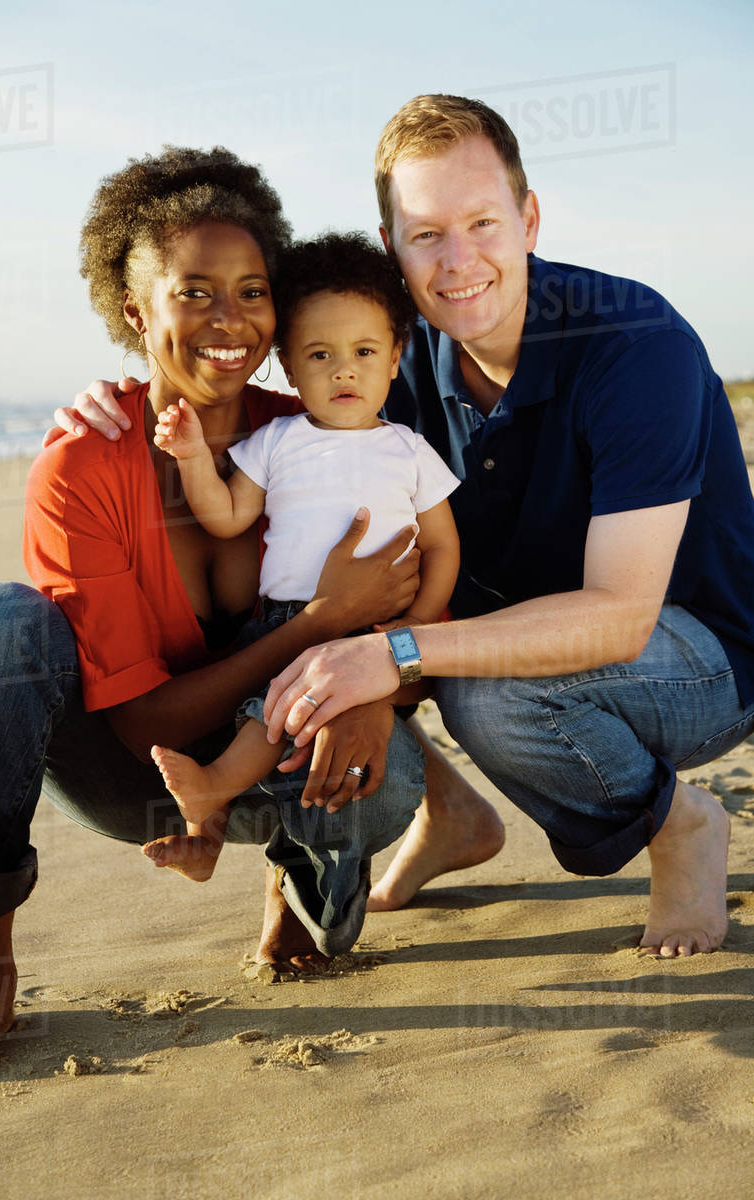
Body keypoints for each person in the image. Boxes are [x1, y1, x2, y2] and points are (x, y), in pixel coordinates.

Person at [0, 146, 439, 1087]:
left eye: (253, 291)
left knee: (392, 772)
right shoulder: (83, 463)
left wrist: (380, 680)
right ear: (137, 312)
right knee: (0, 622)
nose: (230, 321)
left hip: (280, 754)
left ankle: (294, 880)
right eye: (195, 292)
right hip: (132, 767)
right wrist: (316, 624)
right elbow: (140, 723)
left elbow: (404, 583)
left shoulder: (312, 428)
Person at [259, 94, 754, 959]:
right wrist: (127, 412)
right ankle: (449, 813)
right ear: (391, 248)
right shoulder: (391, 354)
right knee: (304, 578)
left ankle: (681, 826)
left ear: (527, 218)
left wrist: (393, 657)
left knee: (491, 692)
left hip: (700, 656)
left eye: (482, 222)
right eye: (425, 235)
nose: (458, 262)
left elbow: (620, 614)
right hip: (511, 630)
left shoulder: (634, 344)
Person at [141, 233, 461, 884]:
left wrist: (413, 632)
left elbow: (443, 546)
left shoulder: (407, 449)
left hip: (375, 635)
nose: (344, 369)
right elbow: (227, 514)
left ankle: (264, 839)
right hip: (289, 621)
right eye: (321, 355)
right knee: (270, 713)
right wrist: (194, 459)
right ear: (289, 367)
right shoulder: (278, 440)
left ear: (396, 358)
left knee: (295, 723)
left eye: (364, 352)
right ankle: (206, 818)